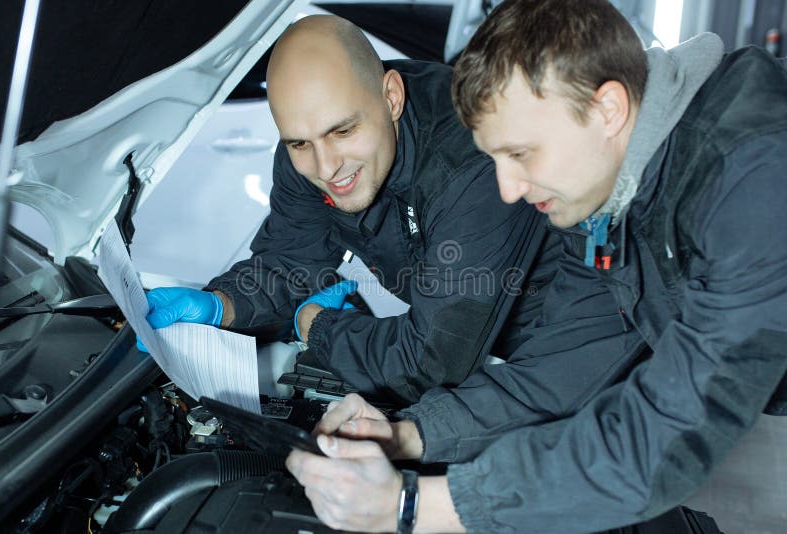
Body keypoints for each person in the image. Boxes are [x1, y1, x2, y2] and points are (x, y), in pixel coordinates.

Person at [284, 0, 787, 531]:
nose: (509, 189)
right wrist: (404, 433)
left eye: (521, 155)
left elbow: (661, 437)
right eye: (495, 158)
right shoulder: (606, 200)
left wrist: (409, 506)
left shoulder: (751, 172)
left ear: (607, 109)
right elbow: (559, 371)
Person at [140, 14, 562, 403]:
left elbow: (430, 362)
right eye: (299, 143)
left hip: (567, 350)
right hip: (485, 350)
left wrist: (316, 325)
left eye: (342, 131)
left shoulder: (471, 160)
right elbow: (290, 261)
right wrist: (219, 304)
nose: (326, 167)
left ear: (391, 97)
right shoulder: (308, 150)